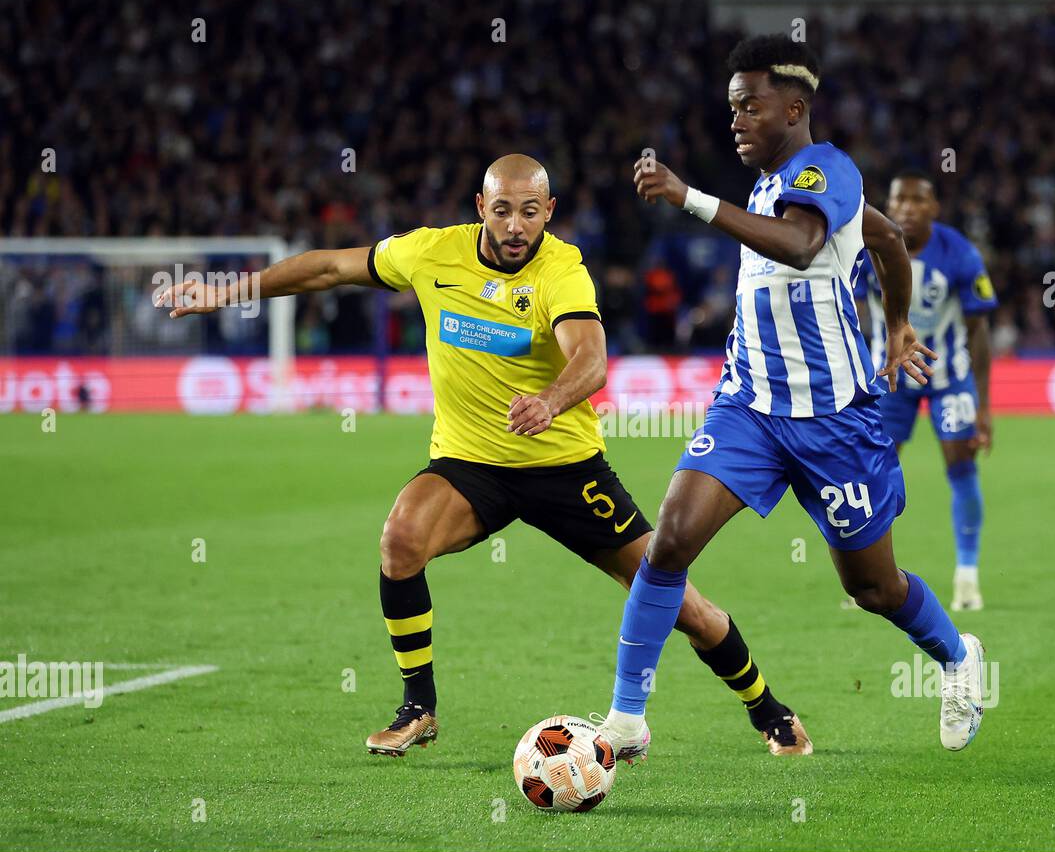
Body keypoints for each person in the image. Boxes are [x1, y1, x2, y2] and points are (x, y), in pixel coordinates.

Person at [154, 154, 811, 758]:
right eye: (502, 209)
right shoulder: (431, 252)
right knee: (400, 538)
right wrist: (225, 291)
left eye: (531, 210)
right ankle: (419, 707)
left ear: (548, 212)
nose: (516, 224)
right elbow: (329, 267)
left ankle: (766, 707)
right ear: (480, 206)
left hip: (564, 466)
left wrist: (552, 399)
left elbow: (591, 356)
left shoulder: (562, 267)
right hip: (471, 464)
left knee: (681, 602)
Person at [594, 36, 987, 761]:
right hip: (749, 408)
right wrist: (897, 325)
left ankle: (959, 656)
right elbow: (891, 239)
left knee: (874, 586)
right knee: (671, 538)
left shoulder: (827, 169)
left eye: (751, 106)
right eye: (732, 107)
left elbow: (805, 245)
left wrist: (689, 197)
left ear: (795, 108)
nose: (736, 119)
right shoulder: (769, 183)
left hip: (835, 420)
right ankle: (626, 716)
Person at [856, 170, 997, 610]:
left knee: (961, 467)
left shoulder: (959, 253)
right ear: (890, 204)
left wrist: (984, 406)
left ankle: (967, 575)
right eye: (899, 201)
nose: (907, 209)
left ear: (934, 209)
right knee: (874, 472)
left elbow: (978, 331)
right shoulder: (867, 247)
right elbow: (855, 314)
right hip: (891, 379)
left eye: (918, 202)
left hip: (948, 379)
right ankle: (869, 576)